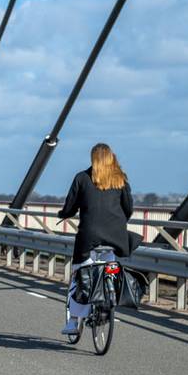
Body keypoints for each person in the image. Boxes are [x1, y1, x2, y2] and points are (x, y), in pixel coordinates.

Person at [56, 143, 140, 335]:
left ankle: (73, 322)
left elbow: (71, 206)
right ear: (111, 157)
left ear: (92, 158)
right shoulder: (120, 179)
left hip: (89, 237)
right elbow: (128, 208)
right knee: (109, 269)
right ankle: (109, 295)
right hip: (115, 237)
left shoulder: (82, 178)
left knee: (80, 276)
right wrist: (117, 223)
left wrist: (64, 214)